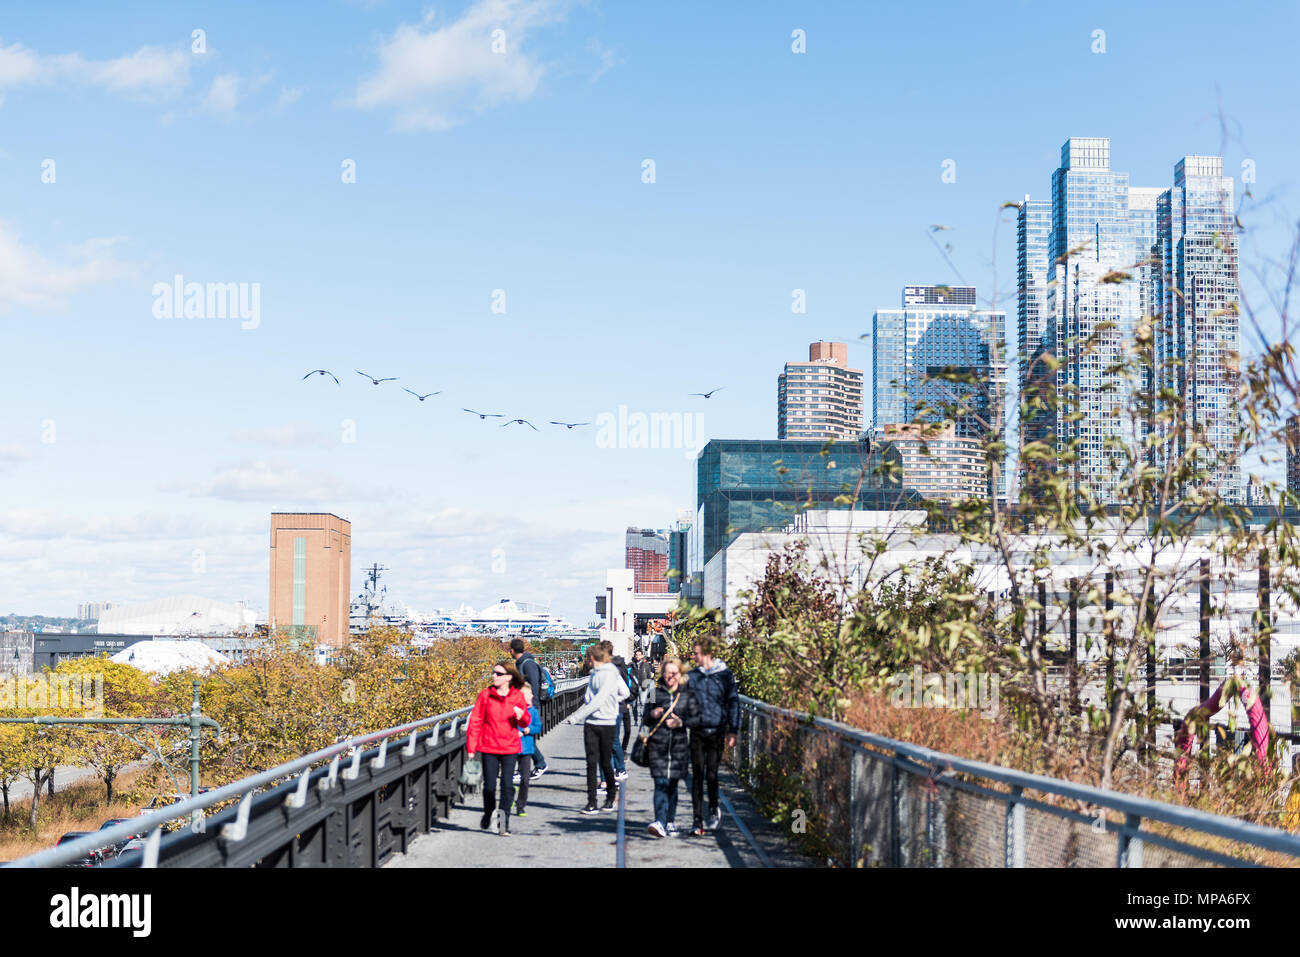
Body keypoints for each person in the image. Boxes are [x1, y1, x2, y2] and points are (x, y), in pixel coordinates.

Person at [466, 660, 531, 836]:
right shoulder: (485, 695)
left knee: (507, 786)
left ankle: (503, 824)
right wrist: (471, 747)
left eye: (498, 673)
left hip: (509, 746)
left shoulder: (517, 696)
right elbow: (476, 721)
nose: (494, 676)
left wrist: (521, 716)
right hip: (489, 746)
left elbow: (526, 722)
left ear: (509, 677)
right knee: (489, 787)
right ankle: (488, 812)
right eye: (494, 673)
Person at [565, 644, 629, 813]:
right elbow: (624, 694)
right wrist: (614, 701)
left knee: (605, 761)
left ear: (592, 658)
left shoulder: (610, 674)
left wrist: (577, 717)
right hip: (593, 722)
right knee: (591, 762)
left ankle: (610, 797)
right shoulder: (594, 674)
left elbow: (599, 699)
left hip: (606, 722)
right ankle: (591, 802)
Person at [686, 637, 739, 836]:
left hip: (717, 730)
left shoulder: (724, 676)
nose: (693, 657)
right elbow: (684, 701)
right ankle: (697, 819)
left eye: (696, 653)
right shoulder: (692, 676)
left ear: (707, 654)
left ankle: (713, 810)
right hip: (698, 730)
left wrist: (733, 730)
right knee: (698, 774)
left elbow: (733, 702)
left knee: (712, 774)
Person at [643, 656, 699, 838]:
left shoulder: (688, 694)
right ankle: (660, 821)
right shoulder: (654, 691)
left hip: (678, 746)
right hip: (657, 745)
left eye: (673, 673)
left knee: (672, 784)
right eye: (667, 673)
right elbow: (644, 717)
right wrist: (653, 713)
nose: (670, 677)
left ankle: (670, 820)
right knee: (660, 783)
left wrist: (681, 722)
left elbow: (696, 718)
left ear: (680, 674)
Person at [509, 638, 548, 779]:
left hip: (531, 705)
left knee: (526, 736)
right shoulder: (522, 663)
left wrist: (531, 702)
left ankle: (539, 764)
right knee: (524, 736)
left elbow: (534, 685)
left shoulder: (527, 664)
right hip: (524, 704)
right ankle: (528, 768)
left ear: (512, 650)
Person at [514, 684, 542, 817]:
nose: (531, 696)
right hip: (512, 747)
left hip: (526, 748)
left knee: (525, 778)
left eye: (530, 694)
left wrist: (528, 730)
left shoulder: (533, 711)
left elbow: (538, 727)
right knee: (507, 778)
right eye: (527, 694)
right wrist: (517, 731)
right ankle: (510, 793)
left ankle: (521, 805)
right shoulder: (513, 710)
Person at [631, 649, 654, 723]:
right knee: (634, 705)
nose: (637, 656)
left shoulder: (646, 665)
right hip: (634, 687)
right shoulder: (631, 664)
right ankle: (635, 720)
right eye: (636, 654)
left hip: (643, 686)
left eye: (639, 654)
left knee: (642, 702)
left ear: (642, 655)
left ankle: (642, 718)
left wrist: (647, 685)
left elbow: (648, 676)